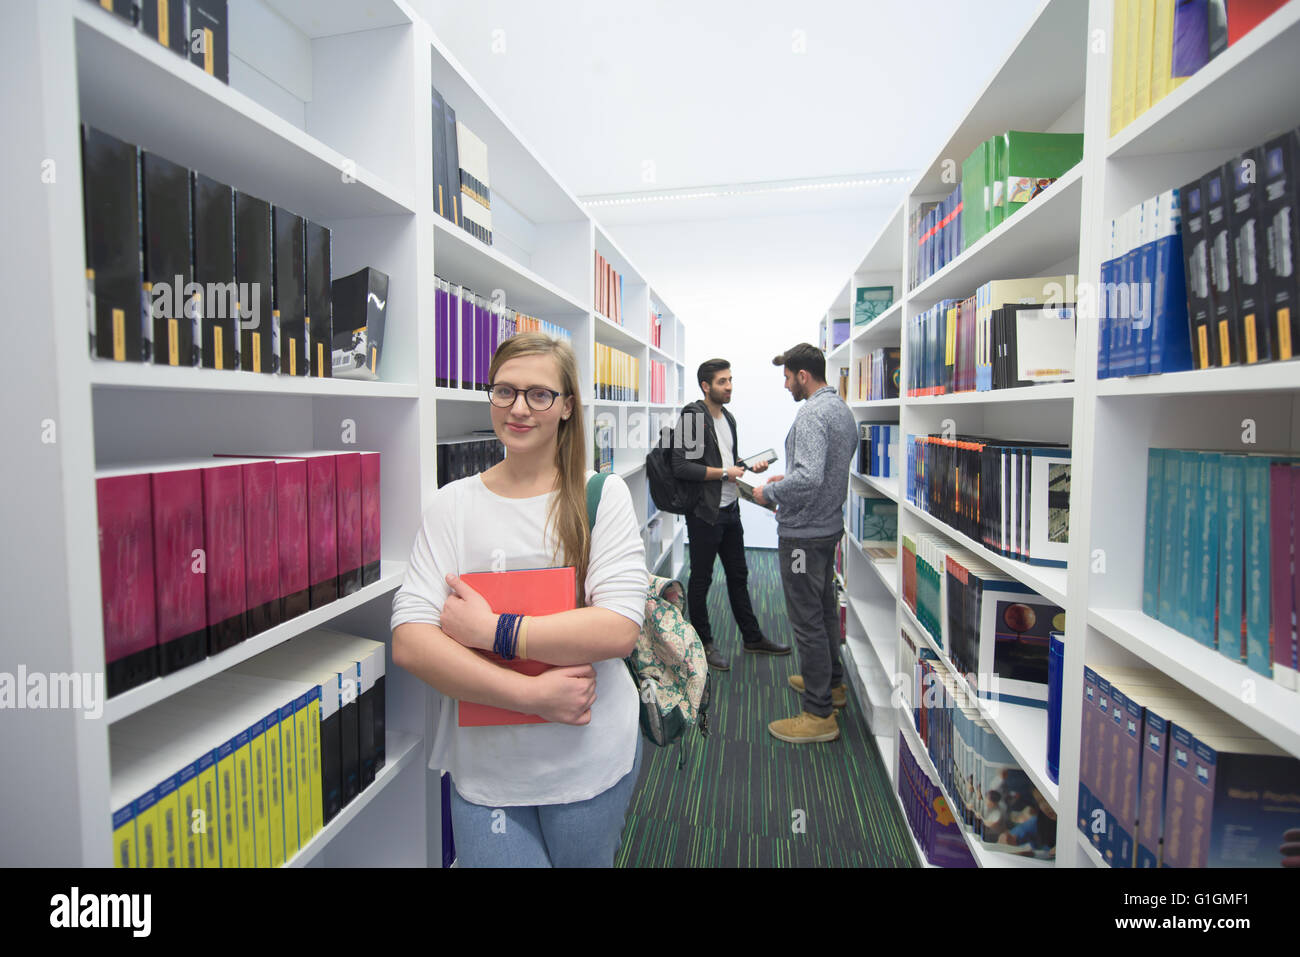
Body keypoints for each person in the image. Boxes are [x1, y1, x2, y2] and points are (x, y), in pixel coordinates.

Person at [390, 332, 647, 867]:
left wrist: (492, 631)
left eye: (539, 394)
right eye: (504, 392)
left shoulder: (602, 495)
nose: (519, 409)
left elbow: (618, 628)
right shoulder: (451, 505)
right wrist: (530, 696)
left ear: (567, 406)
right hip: (487, 769)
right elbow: (412, 643)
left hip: (587, 754)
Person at [754, 343, 858, 743]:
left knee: (807, 620)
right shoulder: (841, 410)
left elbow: (811, 476)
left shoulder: (812, 413)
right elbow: (822, 473)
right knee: (825, 611)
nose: (785, 385)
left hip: (802, 538)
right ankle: (831, 685)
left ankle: (819, 715)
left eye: (787, 377)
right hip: (827, 527)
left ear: (803, 375)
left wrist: (771, 493)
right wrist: (787, 480)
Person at [671, 358, 790, 671]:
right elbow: (683, 466)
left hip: (730, 510)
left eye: (731, 380)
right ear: (705, 386)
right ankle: (703, 644)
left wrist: (748, 465)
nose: (729, 387)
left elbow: (725, 459)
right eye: (722, 382)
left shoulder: (728, 418)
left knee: (739, 576)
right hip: (705, 514)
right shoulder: (694, 417)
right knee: (701, 579)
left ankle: (752, 638)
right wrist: (726, 471)